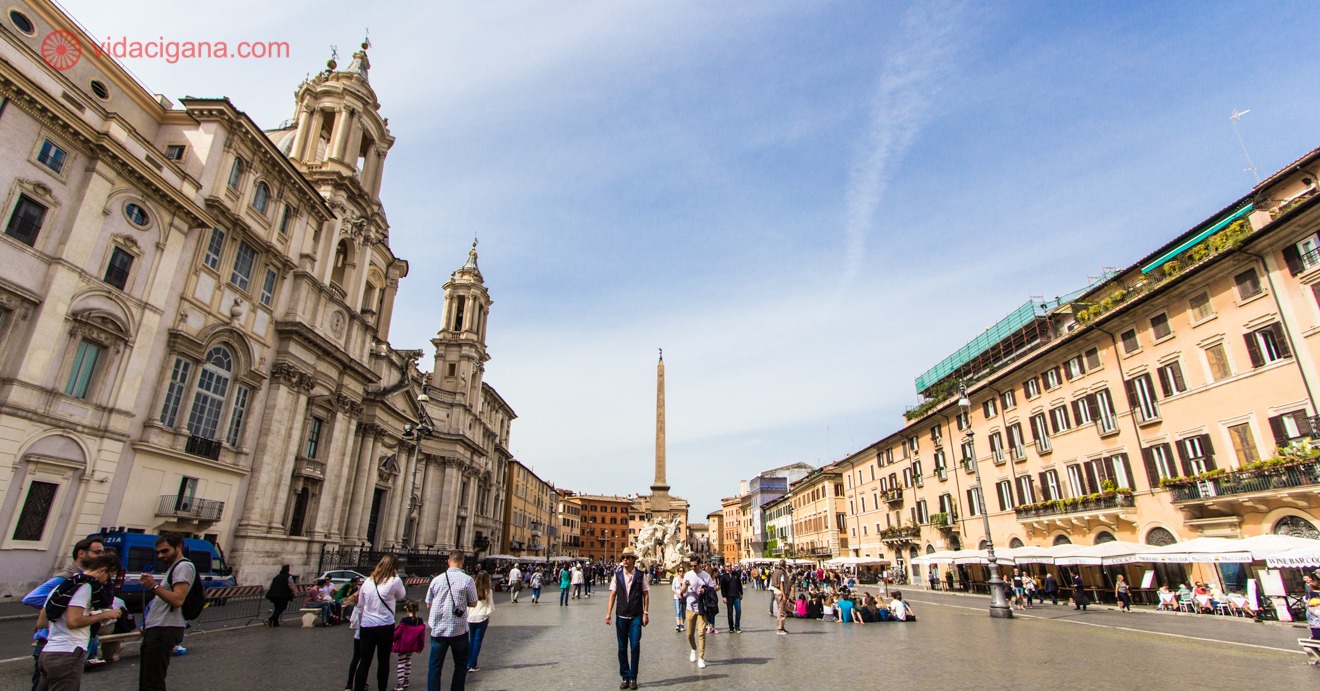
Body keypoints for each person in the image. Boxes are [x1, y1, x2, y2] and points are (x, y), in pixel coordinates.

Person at [23, 536, 107, 691]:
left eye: (103, 552)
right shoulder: (67, 579)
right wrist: (64, 607)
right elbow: (31, 598)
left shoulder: (87, 581)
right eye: (97, 552)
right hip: (54, 644)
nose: (101, 556)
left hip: (69, 646)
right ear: (81, 553)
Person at [34, 554, 122, 691]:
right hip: (68, 652)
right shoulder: (86, 586)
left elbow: (42, 622)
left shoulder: (63, 586)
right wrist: (104, 615)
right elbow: (73, 622)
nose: (106, 583)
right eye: (109, 577)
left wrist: (91, 615)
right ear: (102, 570)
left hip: (48, 653)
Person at [138, 532, 195, 691]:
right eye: (158, 552)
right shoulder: (173, 568)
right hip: (157, 626)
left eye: (165, 551)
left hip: (165, 628)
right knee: (147, 678)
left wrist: (153, 585)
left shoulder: (184, 566)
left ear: (178, 547)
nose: (160, 555)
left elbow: (177, 600)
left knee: (153, 680)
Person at [426, 551, 478, 691]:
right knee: (460, 665)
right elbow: (473, 603)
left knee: (435, 666)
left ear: (449, 562)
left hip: (438, 629)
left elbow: (428, 603)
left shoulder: (436, 580)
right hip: (458, 629)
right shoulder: (467, 580)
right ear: (462, 562)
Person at [353, 555, 407, 691]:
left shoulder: (368, 581)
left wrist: (361, 622)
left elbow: (360, 605)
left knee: (364, 662)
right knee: (383, 661)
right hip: (385, 626)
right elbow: (402, 596)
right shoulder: (395, 581)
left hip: (366, 626)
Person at [604, 549, 649, 689]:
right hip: (621, 615)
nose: (625, 560)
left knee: (635, 646)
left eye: (628, 558)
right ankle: (625, 677)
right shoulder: (617, 576)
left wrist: (645, 612)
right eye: (623, 558)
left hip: (636, 616)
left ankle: (633, 677)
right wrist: (608, 613)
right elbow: (612, 595)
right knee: (622, 648)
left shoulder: (641, 575)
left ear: (633, 560)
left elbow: (646, 594)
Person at [680, 555, 712, 669]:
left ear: (699, 564)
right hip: (689, 607)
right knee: (689, 634)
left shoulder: (706, 576)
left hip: (702, 608)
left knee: (701, 633)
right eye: (691, 566)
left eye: (695, 565)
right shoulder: (688, 574)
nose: (693, 568)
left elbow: (712, 591)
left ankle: (701, 658)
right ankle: (693, 648)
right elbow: (682, 590)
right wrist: (685, 586)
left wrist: (705, 590)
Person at [392, 600, 426, 689]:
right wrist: (420, 647)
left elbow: (397, 633)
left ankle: (400, 684)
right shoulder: (420, 621)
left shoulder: (404, 621)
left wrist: (392, 640)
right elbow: (421, 636)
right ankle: (406, 680)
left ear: (407, 609)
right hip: (412, 645)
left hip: (403, 645)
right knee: (408, 661)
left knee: (401, 663)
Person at [467, 571, 494, 673]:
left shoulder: (472, 589)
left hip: (471, 617)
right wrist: (488, 617)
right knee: (477, 641)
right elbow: (490, 606)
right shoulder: (488, 591)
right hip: (482, 617)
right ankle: (473, 665)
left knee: (471, 640)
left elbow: (467, 604)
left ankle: (468, 663)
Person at [770, 559, 793, 635]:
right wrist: (784, 595)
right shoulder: (782, 573)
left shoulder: (776, 571)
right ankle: (780, 628)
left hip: (776, 592)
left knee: (781, 610)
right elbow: (781, 585)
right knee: (781, 611)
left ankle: (782, 627)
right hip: (780, 593)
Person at [718, 564, 743, 633]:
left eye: (730, 566)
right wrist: (724, 597)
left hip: (736, 596)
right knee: (730, 612)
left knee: (738, 611)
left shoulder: (736, 574)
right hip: (728, 597)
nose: (729, 567)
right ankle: (731, 627)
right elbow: (722, 588)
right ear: (725, 567)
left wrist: (741, 593)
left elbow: (739, 584)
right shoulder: (723, 576)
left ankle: (737, 626)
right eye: (727, 566)